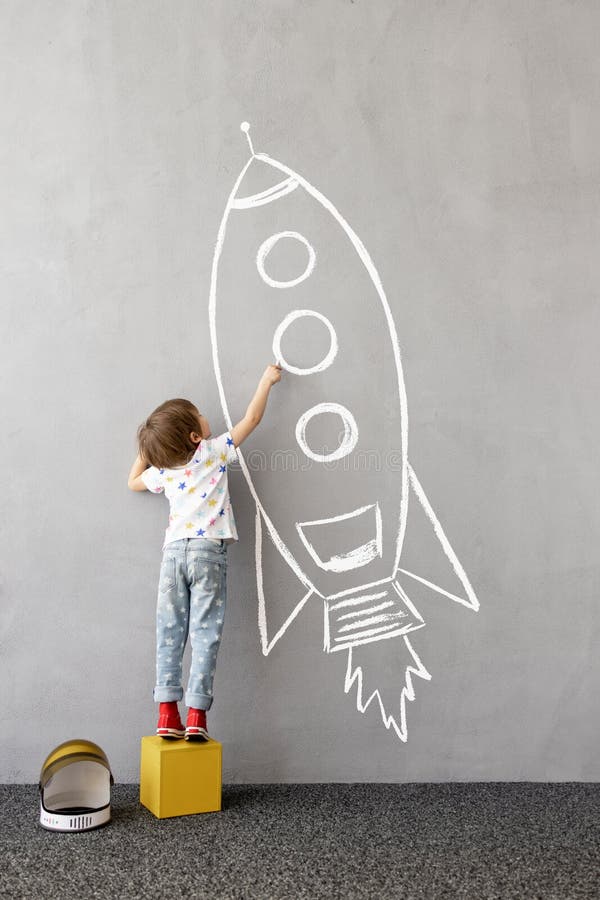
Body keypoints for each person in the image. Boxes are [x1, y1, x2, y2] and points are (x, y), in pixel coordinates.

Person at [128, 364, 282, 740]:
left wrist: (150, 449)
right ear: (196, 435)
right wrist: (265, 381)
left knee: (170, 632)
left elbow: (132, 481)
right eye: (199, 412)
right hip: (207, 554)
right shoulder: (212, 452)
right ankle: (196, 715)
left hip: (173, 556)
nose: (205, 412)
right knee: (205, 632)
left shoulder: (164, 471)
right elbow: (252, 418)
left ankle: (167, 712)